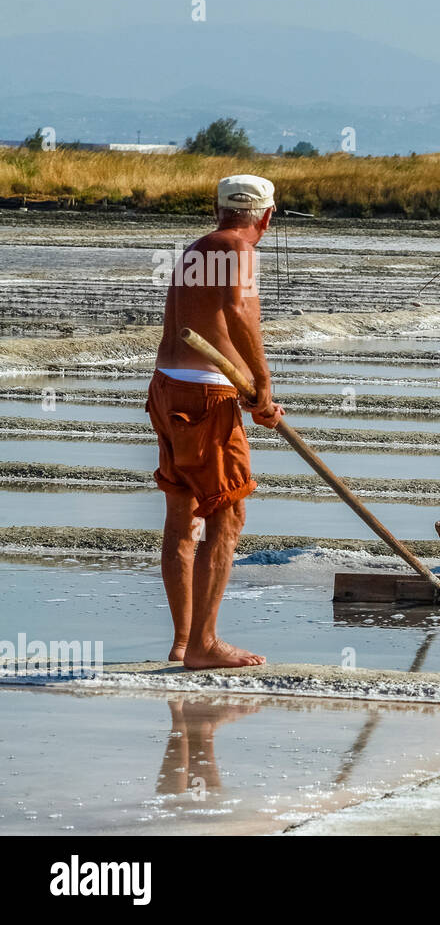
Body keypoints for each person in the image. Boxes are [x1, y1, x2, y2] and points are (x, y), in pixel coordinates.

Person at [147, 174, 284, 668]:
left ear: (218, 209)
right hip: (204, 396)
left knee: (182, 517)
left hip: (167, 387)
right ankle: (203, 645)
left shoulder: (198, 248)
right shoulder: (240, 250)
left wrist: (252, 393)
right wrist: (262, 384)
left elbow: (210, 331)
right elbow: (238, 312)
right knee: (226, 515)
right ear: (266, 217)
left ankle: (185, 642)